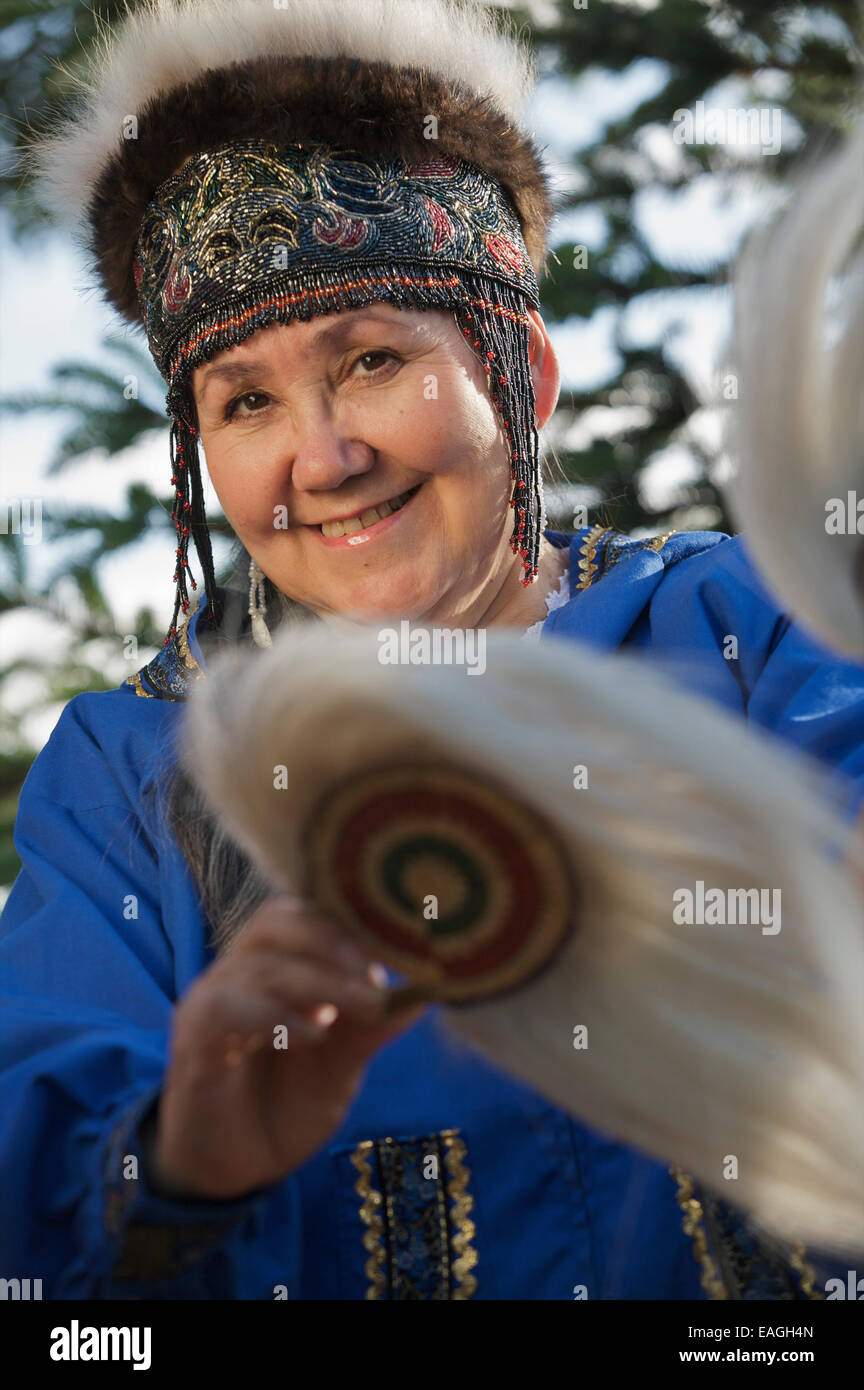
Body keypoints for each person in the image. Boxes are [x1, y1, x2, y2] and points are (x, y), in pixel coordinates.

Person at [1, 0, 861, 1300]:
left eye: (371, 360)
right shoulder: (130, 771)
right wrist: (183, 1156)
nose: (324, 457)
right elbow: (40, 1190)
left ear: (522, 372)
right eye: (246, 400)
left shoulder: (744, 624)